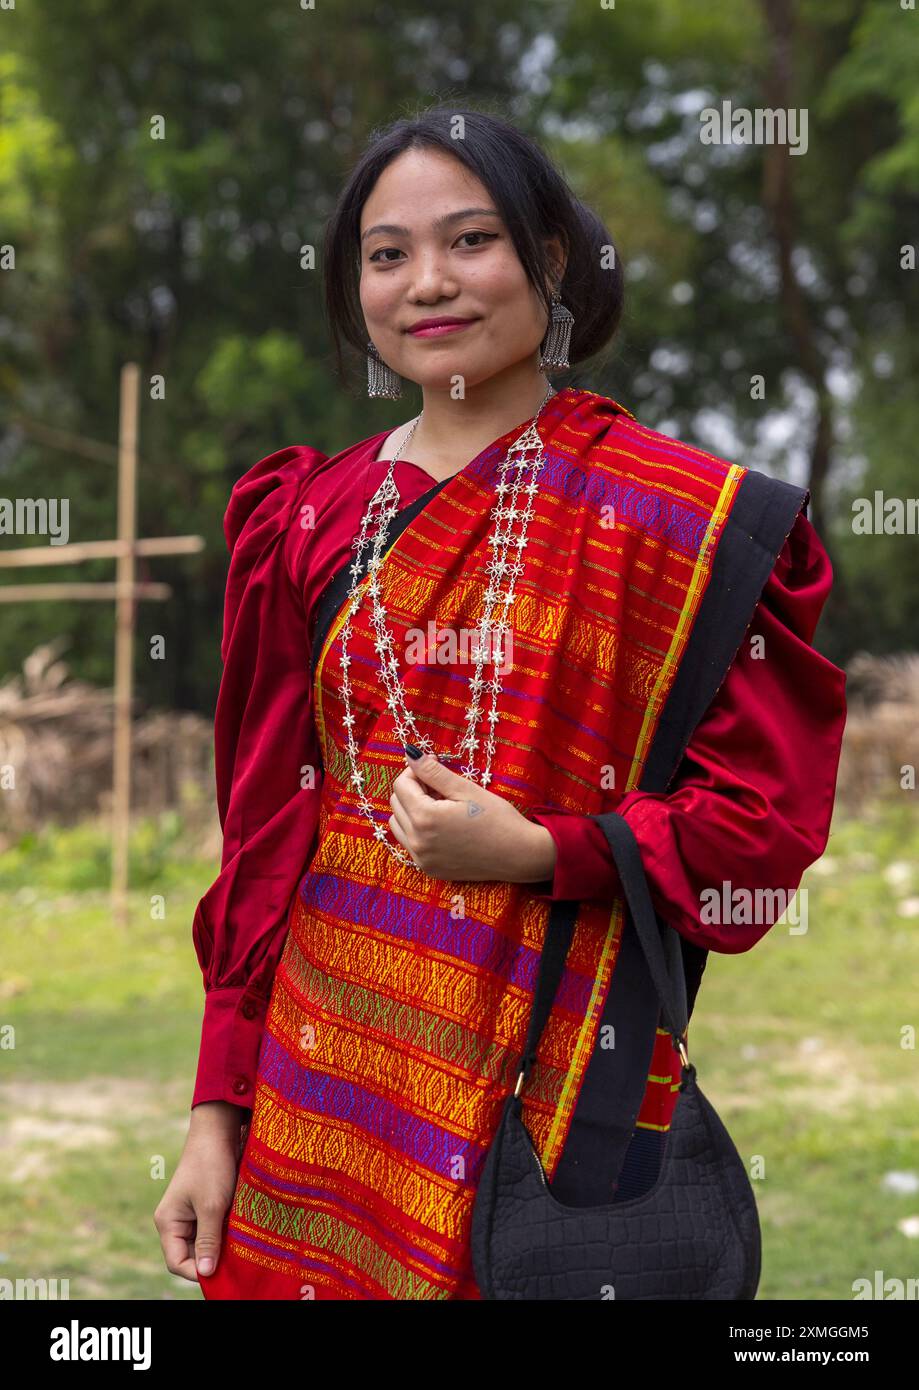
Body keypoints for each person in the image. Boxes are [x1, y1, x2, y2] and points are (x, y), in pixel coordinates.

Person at [154, 106, 847, 1300]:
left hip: (547, 1096)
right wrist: (218, 1111)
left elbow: (759, 832)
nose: (427, 283)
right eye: (386, 254)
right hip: (318, 1107)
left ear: (552, 260)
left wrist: (545, 849)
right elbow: (267, 836)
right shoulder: (304, 522)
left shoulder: (682, 521)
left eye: (470, 240)